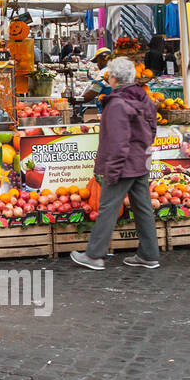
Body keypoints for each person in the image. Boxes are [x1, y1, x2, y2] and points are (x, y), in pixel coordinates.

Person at [69, 57, 160, 270]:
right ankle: (149, 254)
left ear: (114, 78)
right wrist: (143, 148)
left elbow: (118, 141)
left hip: (123, 166)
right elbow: (152, 128)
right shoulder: (143, 98)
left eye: (109, 74)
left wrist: (113, 169)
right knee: (143, 208)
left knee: (108, 208)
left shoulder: (117, 103)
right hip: (140, 161)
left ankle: (94, 255)